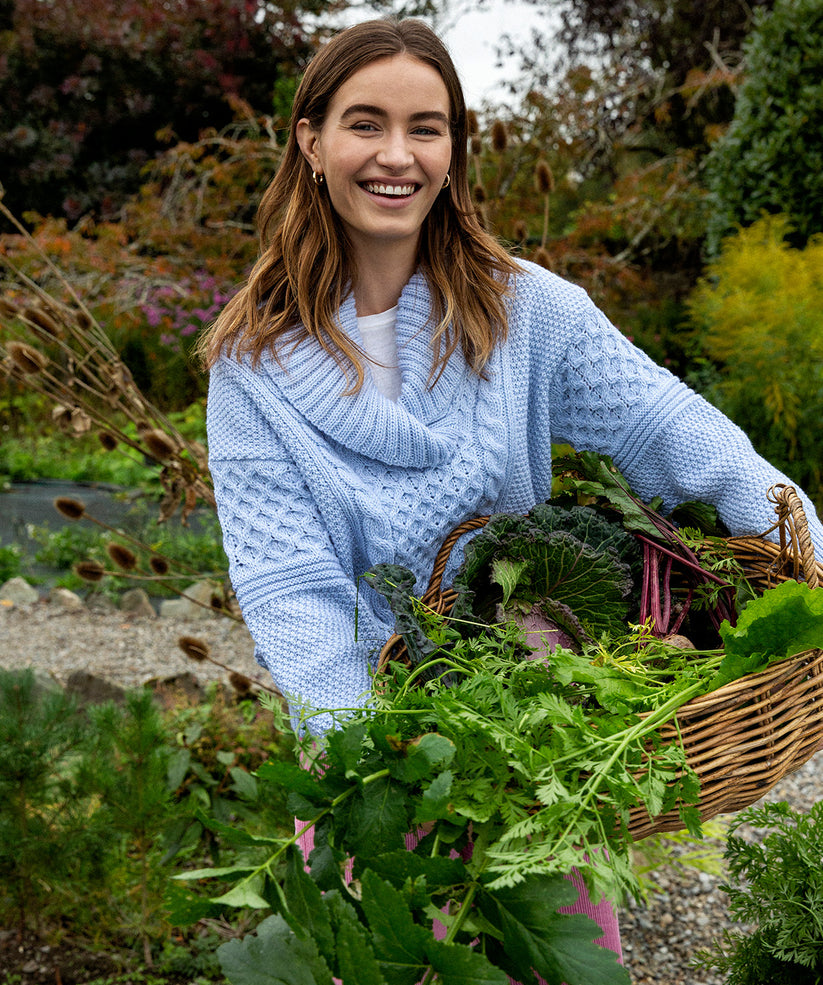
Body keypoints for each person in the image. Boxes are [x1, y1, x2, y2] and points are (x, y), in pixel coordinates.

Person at [199, 15, 823, 975]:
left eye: (427, 127)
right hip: (381, 767)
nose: (396, 155)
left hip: (538, 755)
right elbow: (293, 592)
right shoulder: (252, 374)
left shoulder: (526, 311)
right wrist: (377, 761)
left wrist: (805, 561)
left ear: (454, 151)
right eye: (365, 124)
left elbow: (674, 434)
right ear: (310, 141)